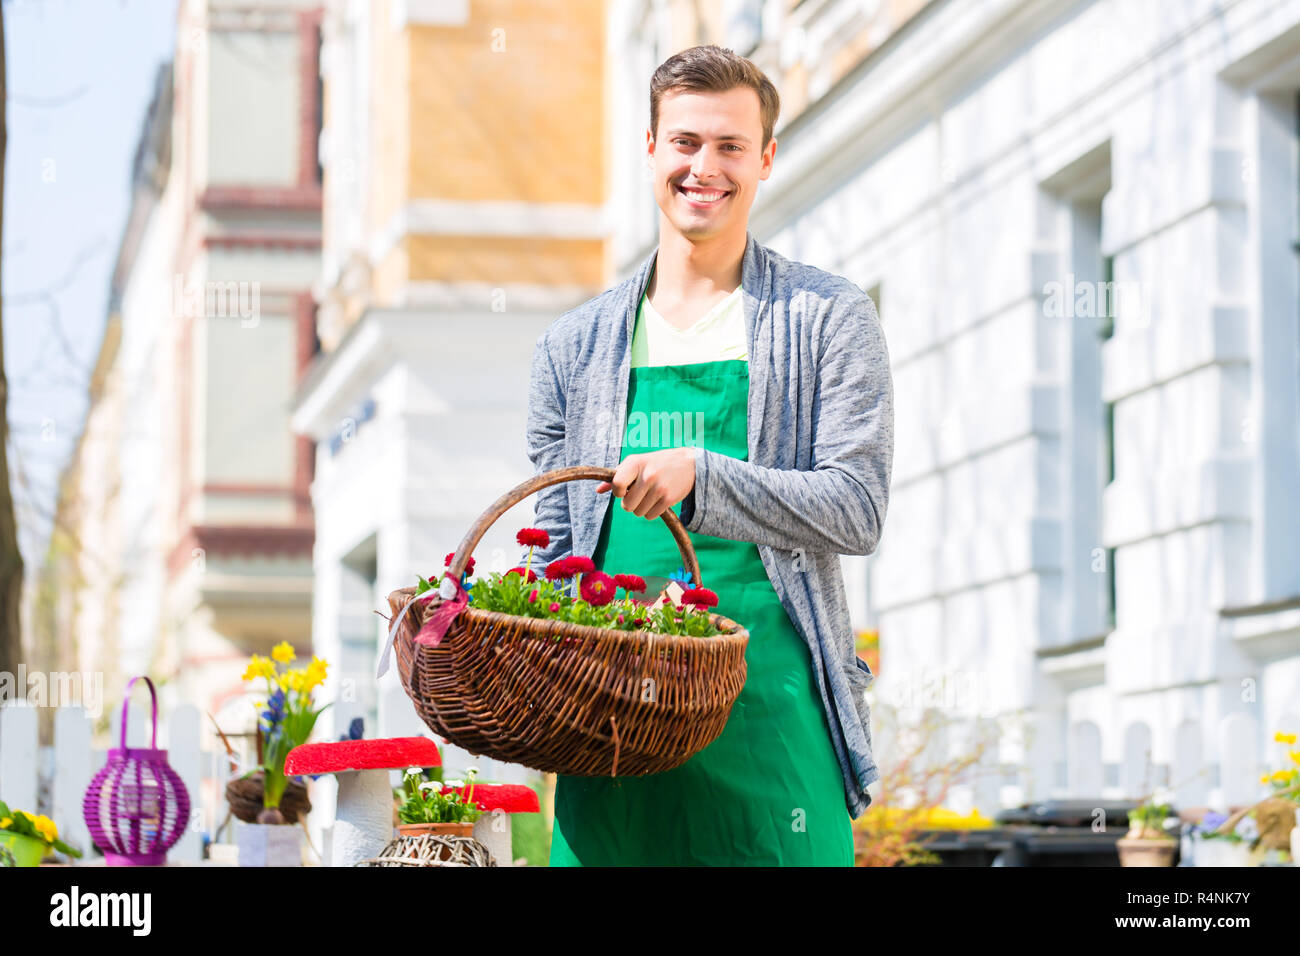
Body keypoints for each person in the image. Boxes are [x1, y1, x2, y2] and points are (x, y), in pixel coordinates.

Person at [522, 43, 894, 866]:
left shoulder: (825, 318)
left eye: (730, 145)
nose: (705, 166)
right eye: (685, 142)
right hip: (610, 730)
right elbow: (555, 555)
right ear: (651, 149)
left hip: (770, 715)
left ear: (764, 158)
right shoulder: (571, 350)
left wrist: (704, 478)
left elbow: (858, 507)